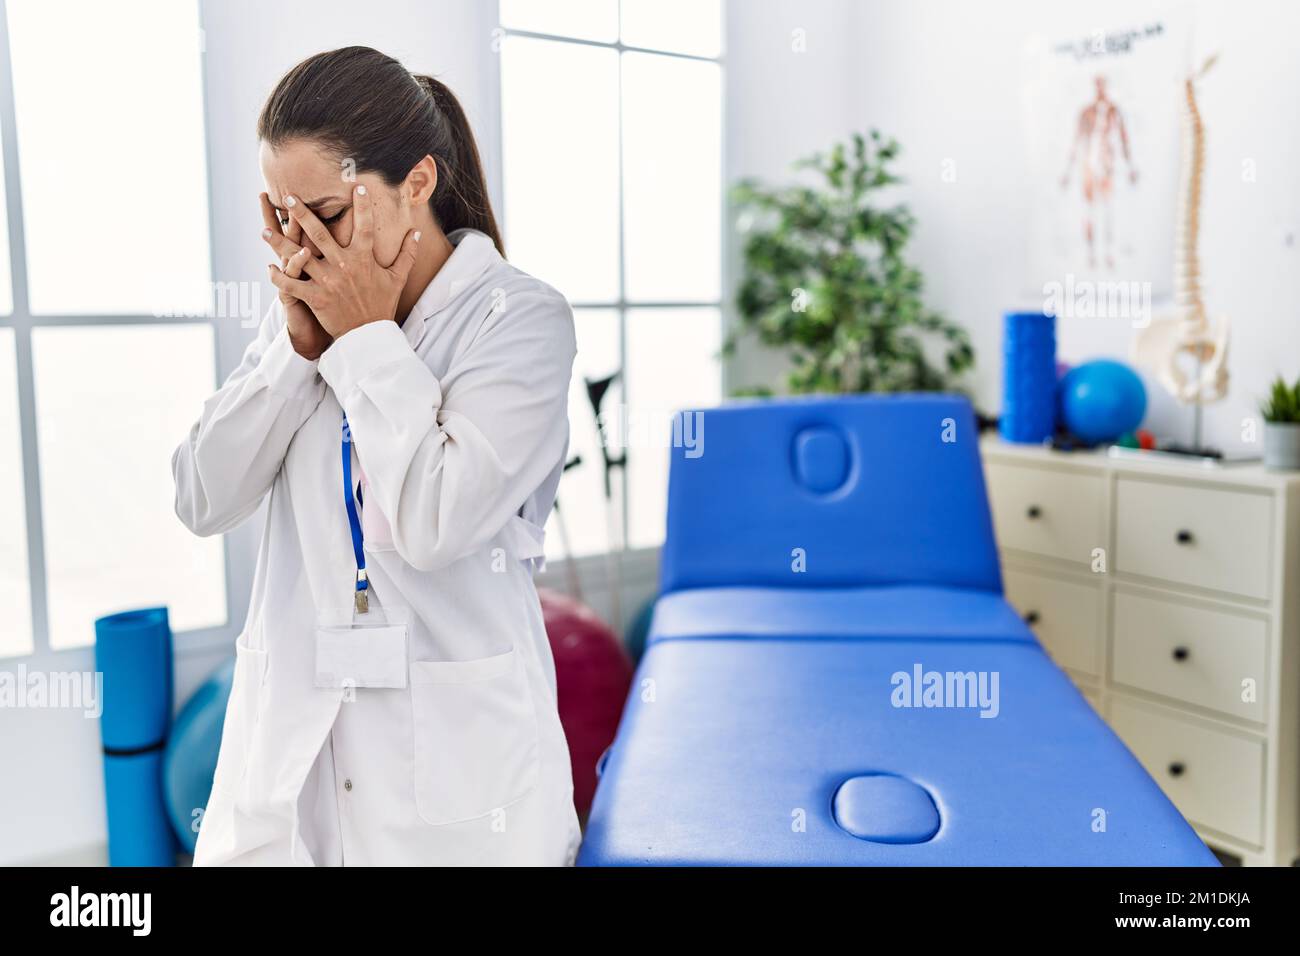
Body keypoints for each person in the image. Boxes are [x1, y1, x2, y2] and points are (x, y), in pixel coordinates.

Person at [173, 46, 580, 865]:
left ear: (418, 184)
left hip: (456, 801)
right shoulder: (301, 316)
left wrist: (363, 341)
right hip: (291, 777)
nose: (303, 247)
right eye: (283, 219)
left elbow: (437, 519)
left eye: (325, 213)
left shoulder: (520, 321)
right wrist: (295, 354)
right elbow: (200, 497)